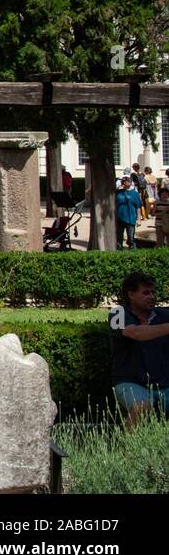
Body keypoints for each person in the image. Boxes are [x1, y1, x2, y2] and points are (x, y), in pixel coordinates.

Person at [109, 272, 169, 422]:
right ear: (131, 294)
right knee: (141, 406)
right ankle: (126, 445)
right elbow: (134, 333)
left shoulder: (163, 315)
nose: (152, 297)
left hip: (165, 386)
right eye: (146, 293)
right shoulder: (117, 313)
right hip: (130, 382)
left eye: (153, 292)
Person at [116, 176, 142, 249]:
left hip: (131, 218)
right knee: (119, 237)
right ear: (122, 183)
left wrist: (139, 219)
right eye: (124, 181)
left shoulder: (134, 193)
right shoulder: (118, 192)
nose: (127, 182)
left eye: (129, 181)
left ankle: (132, 249)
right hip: (119, 218)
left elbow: (138, 207)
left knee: (131, 238)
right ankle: (119, 250)